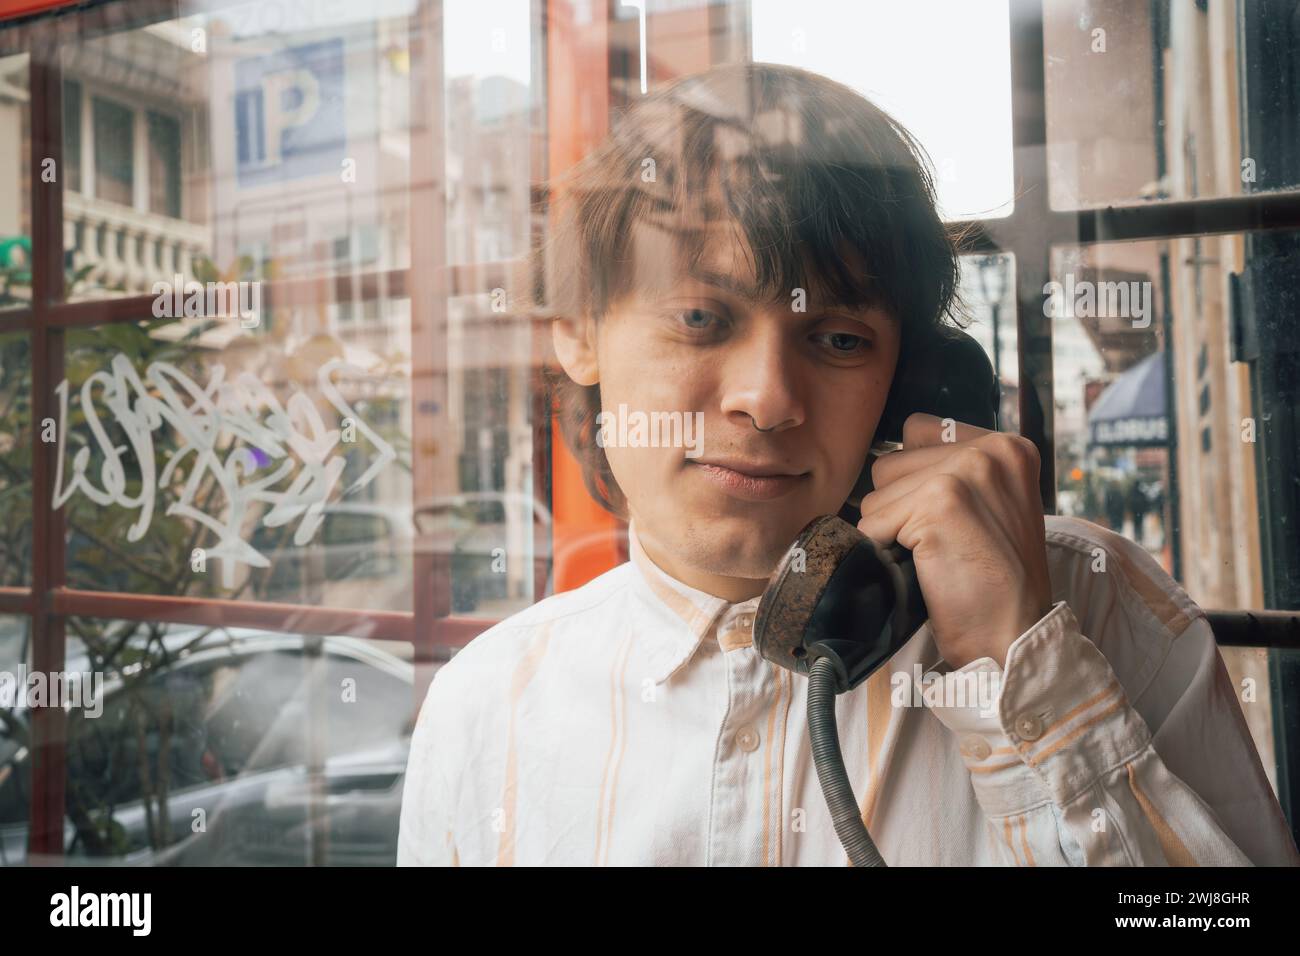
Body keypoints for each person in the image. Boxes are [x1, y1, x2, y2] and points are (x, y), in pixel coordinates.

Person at [397, 62, 1297, 866]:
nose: (769, 399)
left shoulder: (1101, 605)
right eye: (701, 319)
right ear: (577, 331)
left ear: (910, 380)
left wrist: (1024, 670)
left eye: (836, 338)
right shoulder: (488, 707)